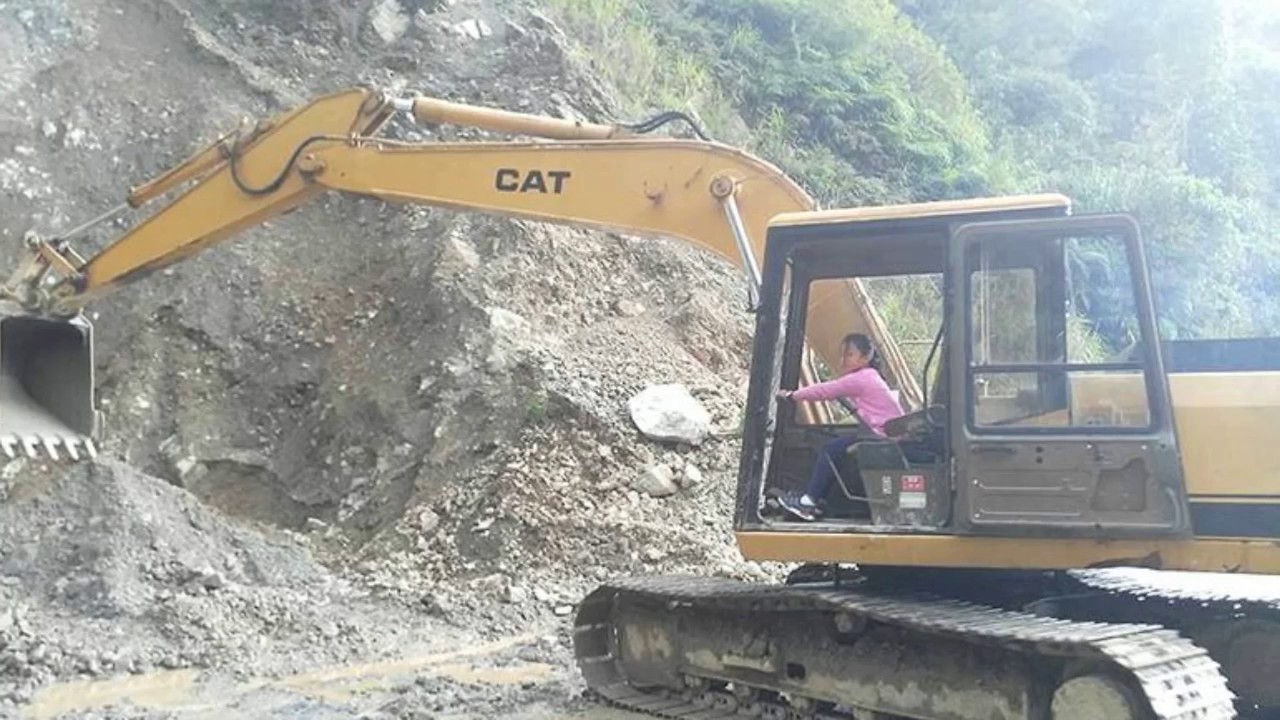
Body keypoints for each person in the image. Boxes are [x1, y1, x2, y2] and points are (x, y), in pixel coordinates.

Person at [776, 333, 904, 521]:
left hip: (879, 436)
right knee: (836, 446)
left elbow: (825, 390)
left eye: (850, 354)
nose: (844, 359)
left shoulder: (862, 378)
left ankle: (808, 502)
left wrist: (791, 396)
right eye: (843, 354)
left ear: (866, 357)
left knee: (830, 449)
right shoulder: (871, 376)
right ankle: (817, 499)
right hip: (882, 433)